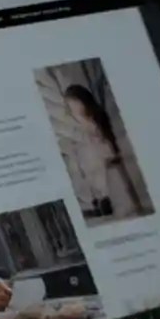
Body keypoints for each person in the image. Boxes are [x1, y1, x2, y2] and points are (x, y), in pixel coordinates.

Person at [63, 84, 148, 221]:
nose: (73, 109)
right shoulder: (78, 127)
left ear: (82, 101)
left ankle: (102, 198)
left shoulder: (99, 118)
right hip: (97, 169)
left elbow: (110, 145)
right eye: (70, 106)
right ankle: (99, 198)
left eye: (74, 104)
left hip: (108, 163)